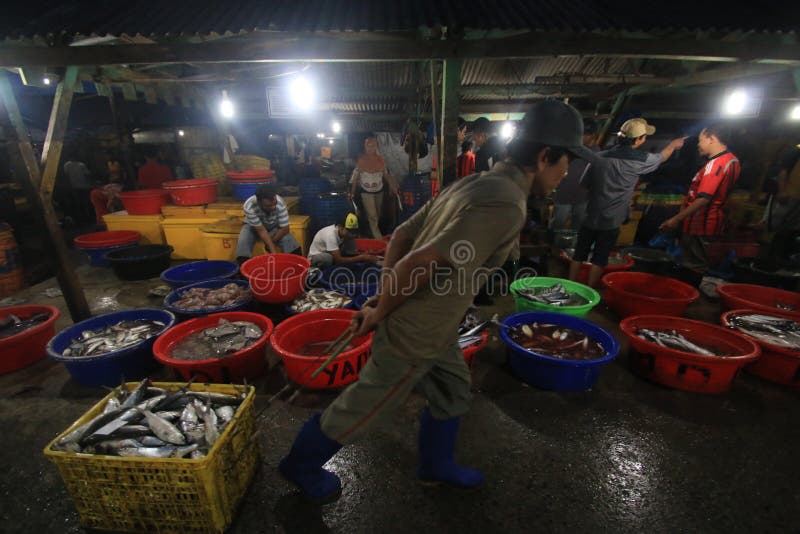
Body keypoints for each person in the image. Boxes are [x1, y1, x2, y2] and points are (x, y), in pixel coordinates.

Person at [278, 100, 586, 504]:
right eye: (566, 162)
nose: (567, 173)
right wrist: (381, 309)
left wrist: (383, 296)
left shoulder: (472, 183)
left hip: (437, 327)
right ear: (545, 156)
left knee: (454, 390)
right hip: (416, 331)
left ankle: (435, 465)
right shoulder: (506, 203)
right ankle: (300, 464)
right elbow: (421, 260)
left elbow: (403, 236)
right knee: (366, 403)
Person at [569, 118, 686, 287]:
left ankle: (570, 284)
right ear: (638, 140)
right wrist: (673, 145)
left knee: (579, 252)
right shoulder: (641, 161)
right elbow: (661, 158)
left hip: (591, 215)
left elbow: (583, 184)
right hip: (612, 220)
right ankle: (590, 290)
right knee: (600, 257)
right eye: (644, 136)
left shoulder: (599, 157)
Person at [660, 124, 741, 273]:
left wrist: (675, 219)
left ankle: (688, 293)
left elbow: (703, 198)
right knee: (696, 264)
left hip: (700, 224)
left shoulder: (716, 164)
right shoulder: (733, 160)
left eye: (701, 140)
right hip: (709, 223)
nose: (698, 144)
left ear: (712, 139)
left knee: (692, 267)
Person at [550, 119, 599, 231]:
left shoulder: (598, 153)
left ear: (593, 135)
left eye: (584, 134)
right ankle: (552, 245)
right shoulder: (569, 149)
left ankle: (573, 247)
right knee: (557, 224)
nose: (581, 137)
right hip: (564, 194)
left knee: (578, 226)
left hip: (583, 197)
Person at [235, 184, 300, 263]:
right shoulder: (249, 206)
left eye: (274, 204)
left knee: (289, 240)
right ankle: (243, 268)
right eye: (268, 206)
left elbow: (285, 229)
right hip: (254, 227)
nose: (273, 207)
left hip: (273, 226)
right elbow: (261, 230)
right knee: (243, 240)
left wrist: (271, 244)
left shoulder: (280, 203)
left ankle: (296, 264)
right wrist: (273, 252)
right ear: (259, 202)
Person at [349, 137, 399, 240]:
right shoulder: (361, 160)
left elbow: (386, 175)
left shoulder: (380, 160)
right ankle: (379, 240)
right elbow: (355, 178)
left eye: (373, 146)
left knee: (377, 214)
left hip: (379, 191)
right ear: (365, 147)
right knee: (373, 216)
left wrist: (393, 187)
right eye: (369, 146)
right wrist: (352, 192)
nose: (371, 148)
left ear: (376, 147)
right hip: (366, 192)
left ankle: (370, 233)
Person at [308, 213, 379, 268]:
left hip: (331, 253)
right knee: (328, 259)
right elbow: (338, 260)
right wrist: (361, 257)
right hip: (317, 257)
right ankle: (319, 270)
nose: (353, 234)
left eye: (354, 232)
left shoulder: (344, 234)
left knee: (350, 240)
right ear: (340, 227)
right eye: (350, 231)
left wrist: (366, 255)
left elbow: (351, 253)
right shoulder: (330, 235)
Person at [63, 157, 92, 222]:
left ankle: (82, 217)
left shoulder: (67, 165)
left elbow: (66, 175)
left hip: (75, 187)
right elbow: (87, 174)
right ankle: (87, 217)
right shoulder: (81, 164)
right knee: (84, 202)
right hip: (82, 186)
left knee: (78, 203)